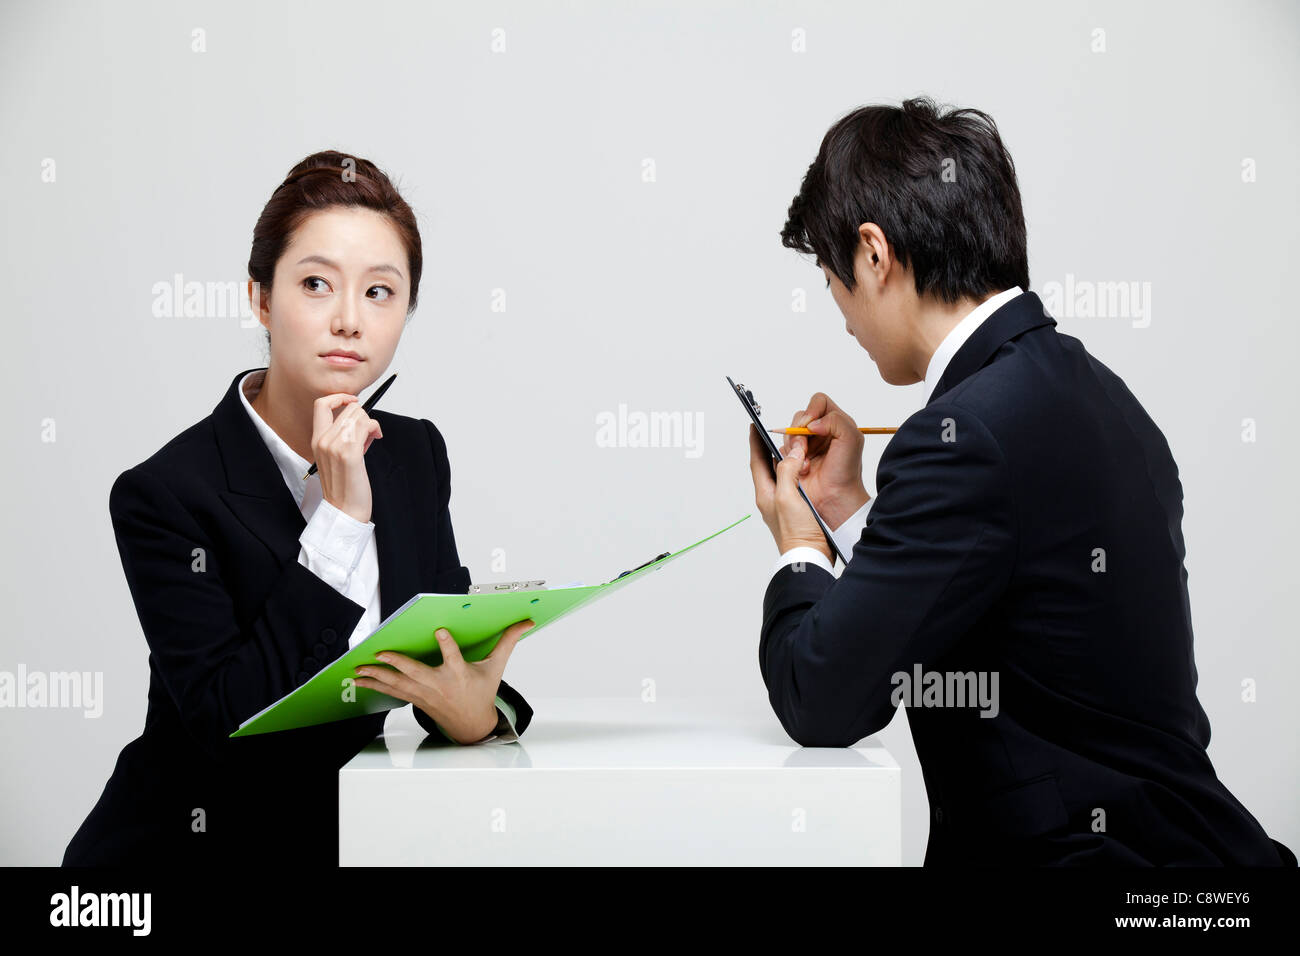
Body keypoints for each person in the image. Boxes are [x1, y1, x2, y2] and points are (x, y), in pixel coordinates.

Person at [749, 97, 1295, 866]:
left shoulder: (962, 434)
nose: (838, 311)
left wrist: (800, 542)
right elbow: (1000, 602)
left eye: (831, 277)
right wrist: (849, 509)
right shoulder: (1106, 400)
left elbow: (823, 697)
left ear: (874, 255)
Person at [63, 151, 534, 867]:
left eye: (381, 292)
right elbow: (234, 725)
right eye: (317, 284)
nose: (349, 320)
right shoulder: (166, 494)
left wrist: (476, 720)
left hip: (351, 844)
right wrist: (341, 519)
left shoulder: (413, 454)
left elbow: (441, 654)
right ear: (259, 298)